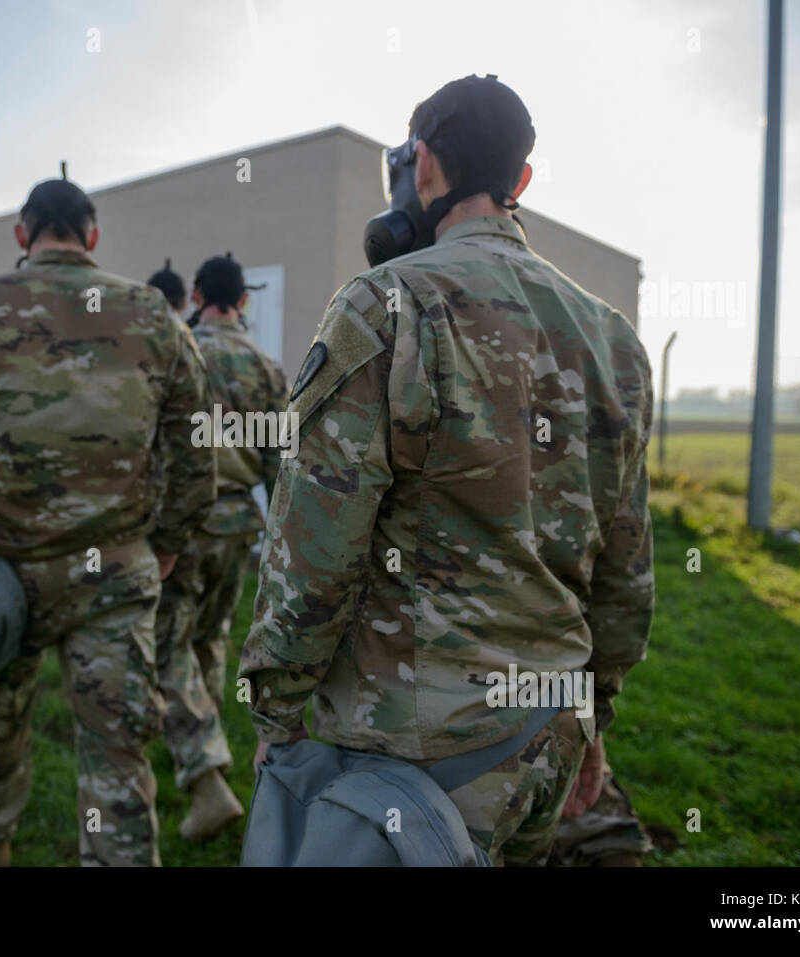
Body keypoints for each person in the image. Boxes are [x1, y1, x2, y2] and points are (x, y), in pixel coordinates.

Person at [237, 75, 654, 866]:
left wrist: (275, 714)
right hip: (546, 730)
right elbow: (626, 568)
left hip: (416, 752)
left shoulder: (383, 303)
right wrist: (593, 713)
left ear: (422, 165)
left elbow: (312, 549)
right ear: (520, 182)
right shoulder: (614, 340)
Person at [0, 172, 216, 867]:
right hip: (117, 571)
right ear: (92, 236)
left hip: (4, 572)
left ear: (21, 235)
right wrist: (171, 540)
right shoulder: (153, 314)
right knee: (115, 746)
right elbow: (196, 446)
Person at [153, 253, 290, 842]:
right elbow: (281, 467)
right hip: (239, 526)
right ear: (245, 300)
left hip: (184, 525)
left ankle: (205, 776)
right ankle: (201, 740)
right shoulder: (266, 366)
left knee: (167, 646)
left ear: (196, 294)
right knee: (208, 639)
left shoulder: (178, 349)